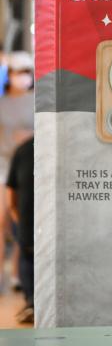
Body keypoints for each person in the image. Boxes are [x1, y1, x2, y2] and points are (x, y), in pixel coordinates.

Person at [0, 51, 34, 291]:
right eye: (16, 72)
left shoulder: (38, 102)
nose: (21, 77)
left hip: (27, 169)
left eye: (26, 72)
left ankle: (17, 274)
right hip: (3, 166)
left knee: (21, 219)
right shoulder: (2, 102)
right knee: (2, 220)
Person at [6, 137, 33, 324]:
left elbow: (10, 196)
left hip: (26, 223)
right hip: (30, 222)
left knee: (27, 259)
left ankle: (31, 303)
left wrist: (18, 218)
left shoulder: (22, 149)